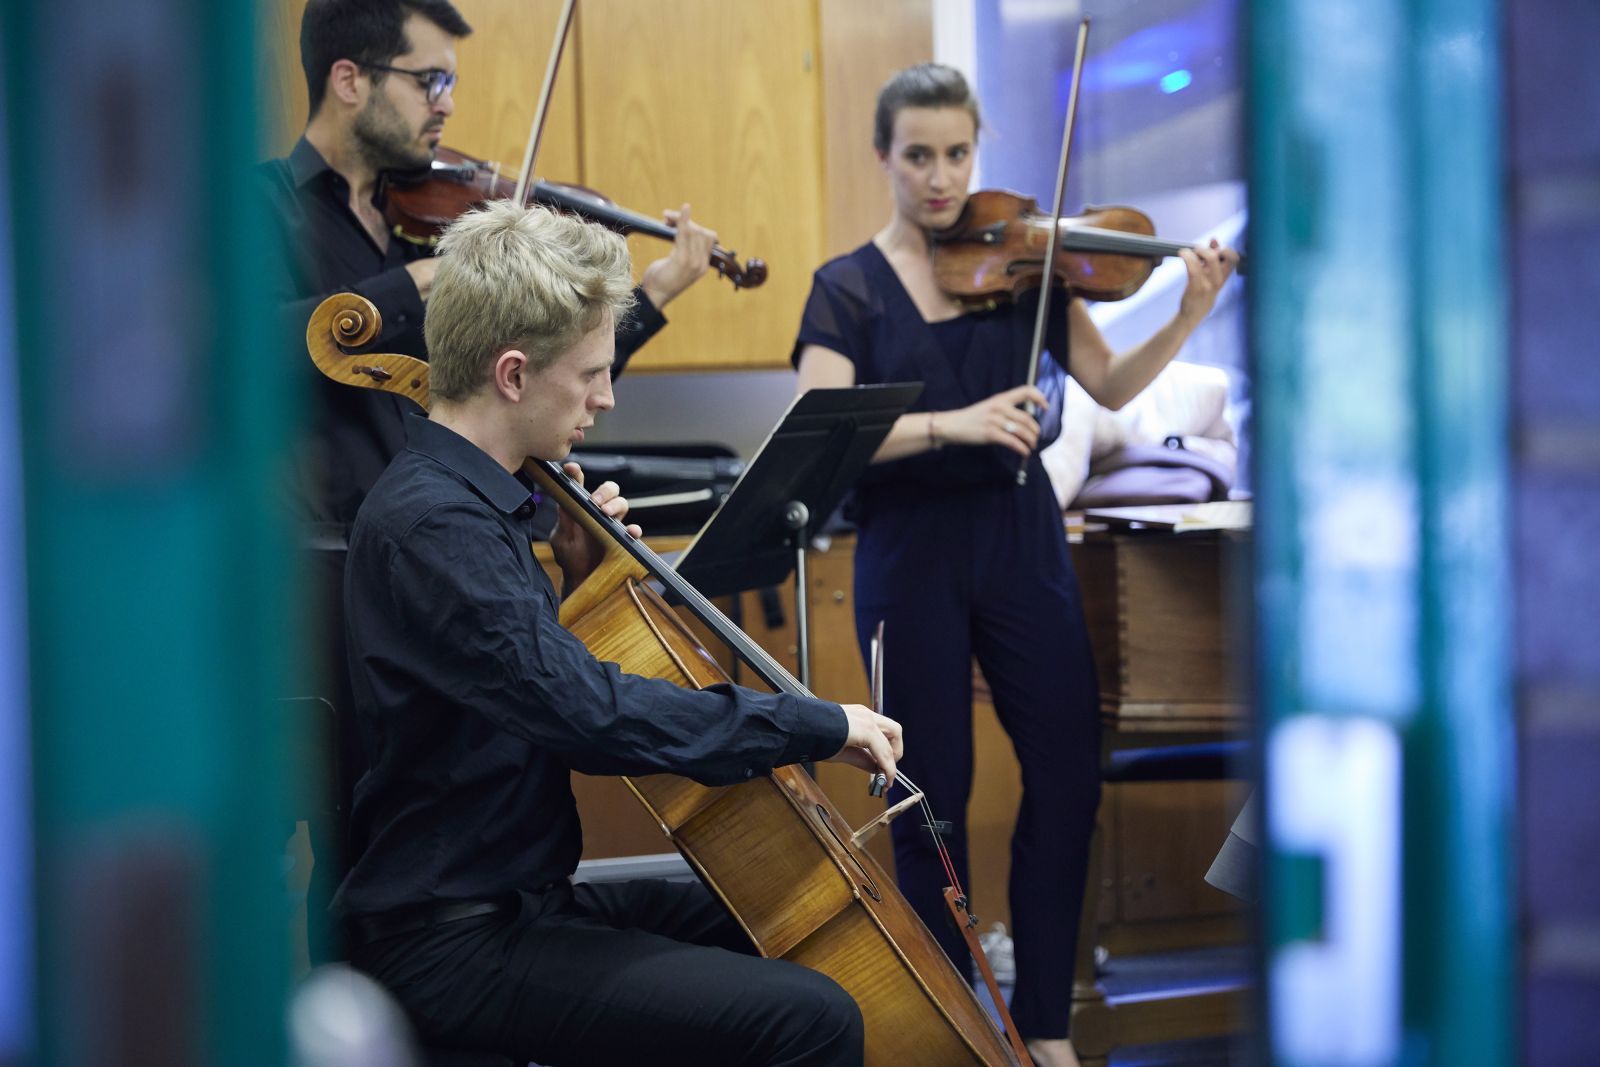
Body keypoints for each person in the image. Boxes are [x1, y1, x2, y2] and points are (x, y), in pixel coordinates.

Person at [336, 198, 903, 1066]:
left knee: (782, 909)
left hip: (520, 900)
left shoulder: (480, 503)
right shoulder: (436, 526)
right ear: (513, 374)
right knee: (812, 1018)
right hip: (449, 940)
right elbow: (590, 715)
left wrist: (581, 577)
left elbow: (518, 685)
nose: (606, 397)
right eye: (593, 373)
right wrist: (815, 723)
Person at [791, 63, 1238, 1067]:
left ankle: (1044, 1025)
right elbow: (820, 433)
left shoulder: (1025, 268)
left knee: (1069, 775)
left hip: (1019, 534)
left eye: (957, 153)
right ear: (884, 157)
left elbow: (1110, 381)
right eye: (919, 155)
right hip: (909, 548)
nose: (941, 176)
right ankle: (954, 1028)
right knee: (929, 797)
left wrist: (1187, 310)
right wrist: (954, 422)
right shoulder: (846, 289)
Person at [258, 0, 721, 923]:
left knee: (470, 818)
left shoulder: (420, 217)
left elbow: (538, 379)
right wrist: (420, 282)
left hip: (457, 554)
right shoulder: (266, 209)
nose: (445, 104)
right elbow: (253, 352)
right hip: (329, 573)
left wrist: (651, 295)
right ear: (349, 79)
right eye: (428, 79)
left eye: (451, 82)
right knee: (353, 843)